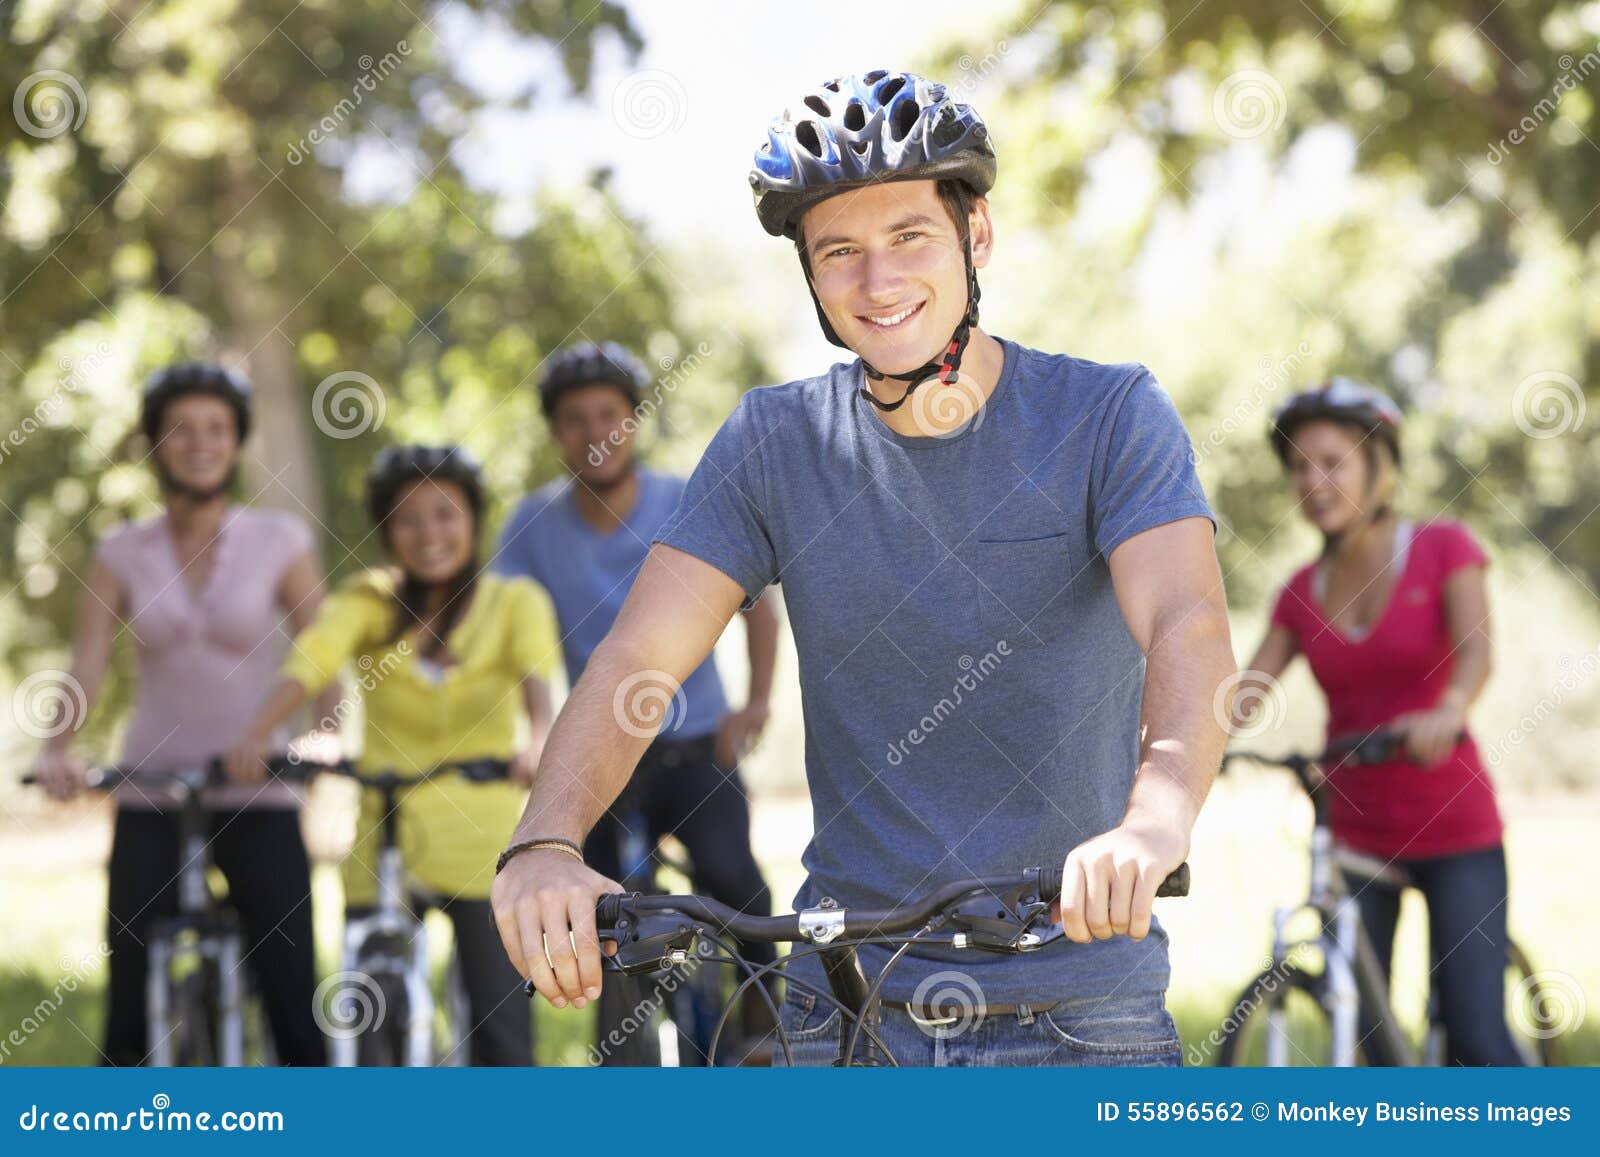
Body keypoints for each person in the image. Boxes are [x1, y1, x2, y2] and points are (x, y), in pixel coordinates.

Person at [490, 70, 1234, 1068]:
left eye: (908, 238)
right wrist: (545, 841)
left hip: (1076, 999)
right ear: (809, 274)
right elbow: (639, 656)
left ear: (976, 237)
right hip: (844, 1001)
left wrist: (1155, 818)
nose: (876, 283)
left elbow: (1185, 616)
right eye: (839, 252)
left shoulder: (1106, 417)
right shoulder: (774, 439)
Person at [28, 361, 329, 1066]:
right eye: (182, 430)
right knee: (127, 1010)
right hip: (150, 784)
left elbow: (322, 656)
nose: (201, 443)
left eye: (217, 429)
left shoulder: (280, 541)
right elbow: (88, 666)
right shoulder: (120, 551)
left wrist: (327, 730)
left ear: (236, 441)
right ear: (156, 444)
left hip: (260, 784)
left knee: (294, 1006)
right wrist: (56, 747)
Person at [493, 341, 781, 1063]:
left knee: (734, 880)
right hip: (599, 759)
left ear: (632, 421)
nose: (594, 432)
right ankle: (629, 1060)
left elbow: (760, 609)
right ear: (555, 432)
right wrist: (530, 729)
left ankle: (765, 1026)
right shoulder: (531, 525)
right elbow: (508, 632)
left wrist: (754, 705)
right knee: (609, 914)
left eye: (608, 415)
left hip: (695, 742)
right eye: (573, 419)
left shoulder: (684, 497)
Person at [227, 444, 560, 1065]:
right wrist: (259, 731)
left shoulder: (515, 603)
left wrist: (537, 744)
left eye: (445, 514)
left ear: (473, 520)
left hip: (482, 836)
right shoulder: (367, 600)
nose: (428, 533)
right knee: (369, 1013)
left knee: (502, 1032)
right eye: (407, 518)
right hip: (384, 832)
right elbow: (313, 657)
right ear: (385, 530)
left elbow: (540, 683)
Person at [1235, 378, 1523, 1066]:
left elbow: (1477, 651)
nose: (1313, 480)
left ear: (1379, 466)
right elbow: (1243, 692)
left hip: (1454, 826)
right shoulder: (1300, 593)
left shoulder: (1442, 546)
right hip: (1358, 835)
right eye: (1300, 466)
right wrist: (1186, 738)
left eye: (1333, 461)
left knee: (1476, 1035)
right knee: (1365, 1040)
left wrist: (1447, 710)